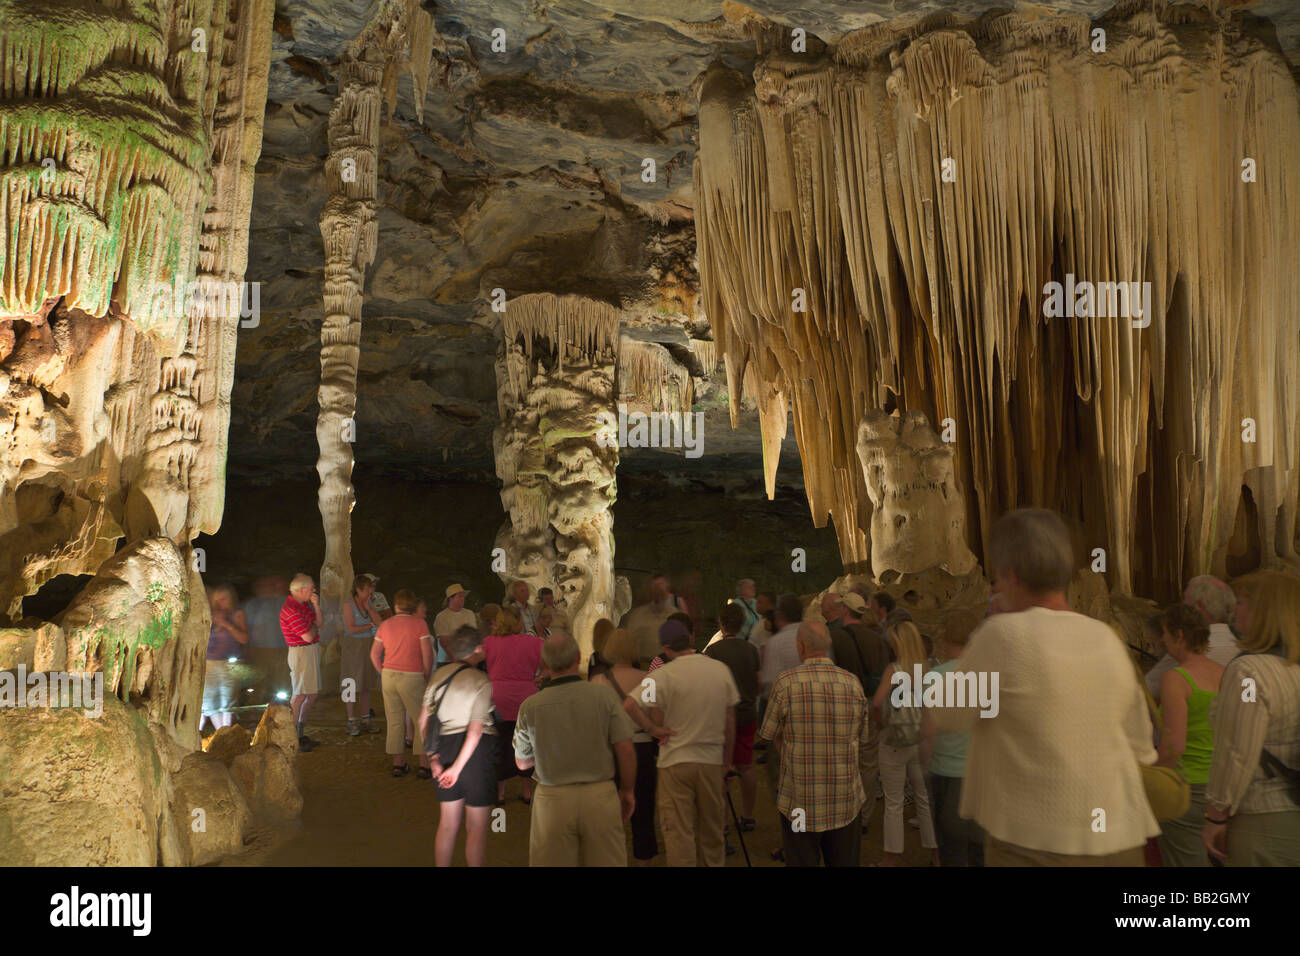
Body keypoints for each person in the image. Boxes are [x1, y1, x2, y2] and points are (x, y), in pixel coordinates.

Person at [932, 508, 1159, 865]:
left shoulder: (1001, 636)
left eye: (999, 579)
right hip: (1118, 834)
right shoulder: (1106, 638)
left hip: (1034, 838)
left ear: (1012, 575)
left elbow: (949, 714)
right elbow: (1142, 746)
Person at [513, 631, 638, 866]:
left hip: (552, 799)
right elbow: (626, 750)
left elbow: (521, 762)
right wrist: (628, 790)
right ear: (579, 657)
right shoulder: (603, 697)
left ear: (544, 663)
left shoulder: (530, 706)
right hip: (599, 795)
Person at [1202, 571, 1300, 866]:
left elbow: (1237, 753)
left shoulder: (1250, 673)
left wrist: (1215, 816)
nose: (1234, 609)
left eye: (1241, 602)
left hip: (1263, 816)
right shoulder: (1294, 668)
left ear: (1263, 611)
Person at [759, 621, 869, 866]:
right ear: (828, 644)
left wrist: (787, 752)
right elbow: (862, 735)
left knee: (801, 858)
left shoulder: (785, 683)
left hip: (799, 801)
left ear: (800, 647)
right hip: (844, 802)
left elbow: (769, 733)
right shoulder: (852, 683)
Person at [639, 619, 738, 867]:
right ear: (691, 638)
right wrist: (727, 760)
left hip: (674, 759)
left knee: (678, 833)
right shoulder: (717, 668)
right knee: (712, 830)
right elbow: (729, 719)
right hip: (710, 759)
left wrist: (656, 730)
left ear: (666, 645)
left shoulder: (660, 670)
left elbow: (653, 713)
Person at [590, 627, 670, 863]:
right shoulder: (648, 679)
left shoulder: (597, 681)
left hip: (609, 751)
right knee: (644, 810)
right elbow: (657, 722)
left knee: (608, 812)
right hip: (642, 749)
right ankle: (643, 858)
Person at [421, 625, 498, 867]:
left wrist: (433, 759)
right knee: (475, 829)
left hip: (444, 746)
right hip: (477, 755)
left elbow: (423, 719)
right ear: (477, 649)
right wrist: (457, 769)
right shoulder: (480, 680)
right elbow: (475, 732)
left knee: (447, 824)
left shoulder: (438, 676)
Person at [1153, 604, 1223, 866]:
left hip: (1186, 787)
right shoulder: (1225, 673)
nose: (1162, 639)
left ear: (1179, 635)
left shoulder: (1176, 679)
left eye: (1165, 632)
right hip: (1219, 790)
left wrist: (1150, 777)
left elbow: (1174, 746)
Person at [920, 608, 986, 866]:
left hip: (946, 773)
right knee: (980, 851)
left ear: (946, 641)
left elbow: (928, 730)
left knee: (952, 850)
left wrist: (925, 765)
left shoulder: (935, 678)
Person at [871, 621, 939, 865]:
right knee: (924, 799)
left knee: (894, 801)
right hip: (920, 741)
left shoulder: (894, 669)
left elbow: (877, 703)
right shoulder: (927, 669)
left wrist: (880, 725)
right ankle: (935, 854)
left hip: (895, 740)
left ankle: (891, 858)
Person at [833, 590, 890, 830]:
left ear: (845, 610)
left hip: (844, 705)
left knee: (844, 758)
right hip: (870, 701)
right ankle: (863, 816)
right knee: (868, 762)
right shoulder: (876, 637)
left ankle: (845, 810)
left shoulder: (835, 638)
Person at [705, 602, 761, 830]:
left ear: (721, 623)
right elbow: (757, 683)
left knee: (722, 770)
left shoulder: (713, 652)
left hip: (720, 718)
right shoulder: (751, 650)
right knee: (746, 766)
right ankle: (747, 816)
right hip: (747, 713)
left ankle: (724, 821)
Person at [1145, 575, 1240, 702]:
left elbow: (1144, 691)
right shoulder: (1244, 647)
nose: (1182, 605)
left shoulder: (1185, 649)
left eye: (1185, 599)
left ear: (1199, 606)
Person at [370, 589, 435, 777]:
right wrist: (427, 674)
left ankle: (398, 764)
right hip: (412, 675)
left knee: (394, 720)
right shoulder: (420, 624)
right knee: (420, 719)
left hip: (389, 675)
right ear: (412, 605)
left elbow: (374, 654)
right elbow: (427, 653)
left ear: (396, 605)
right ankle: (424, 765)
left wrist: (382, 671)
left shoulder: (385, 625)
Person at [484, 607, 542, 802]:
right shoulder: (534, 642)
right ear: (518, 622)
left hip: (497, 699)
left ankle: (499, 794)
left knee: (500, 745)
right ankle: (527, 792)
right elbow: (554, 664)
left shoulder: (489, 642)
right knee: (526, 744)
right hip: (526, 699)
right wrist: (540, 677)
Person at [281, 574, 324, 751]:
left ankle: (299, 733)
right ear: (302, 590)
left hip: (309, 650)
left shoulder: (304, 604)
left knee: (311, 694)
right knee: (299, 695)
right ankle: (293, 738)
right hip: (300, 652)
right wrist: (313, 628)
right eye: (312, 587)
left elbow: (319, 624)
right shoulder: (291, 609)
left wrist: (316, 605)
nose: (314, 590)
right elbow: (307, 635)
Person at [340, 575, 382, 736]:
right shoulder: (348, 605)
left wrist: (369, 607)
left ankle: (366, 719)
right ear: (358, 589)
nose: (370, 594)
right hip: (352, 647)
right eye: (367, 591)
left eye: (371, 592)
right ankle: (351, 720)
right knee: (349, 683)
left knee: (365, 683)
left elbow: (379, 622)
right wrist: (369, 625)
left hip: (367, 645)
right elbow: (350, 629)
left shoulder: (368, 603)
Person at [203, 585, 249, 731]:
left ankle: (226, 733)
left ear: (230, 600)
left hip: (230, 663)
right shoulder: (209, 614)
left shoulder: (236, 614)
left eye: (224, 599)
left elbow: (244, 639)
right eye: (217, 600)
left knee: (227, 701)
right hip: (209, 663)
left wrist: (227, 625)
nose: (220, 603)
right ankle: (220, 733)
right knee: (209, 702)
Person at [242, 575, 291, 703]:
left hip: (284, 649)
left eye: (272, 584)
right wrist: (247, 649)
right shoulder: (252, 604)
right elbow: (246, 627)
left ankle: (282, 708)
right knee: (259, 681)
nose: (268, 588)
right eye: (264, 585)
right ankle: (254, 709)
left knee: (282, 681)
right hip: (259, 650)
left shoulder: (287, 601)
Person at [434, 584, 477, 668]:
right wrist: (457, 660)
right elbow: (444, 642)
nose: (463, 599)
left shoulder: (469, 614)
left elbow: (473, 637)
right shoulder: (442, 617)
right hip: (447, 661)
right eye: (460, 596)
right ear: (451, 598)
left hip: (467, 659)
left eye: (463, 596)